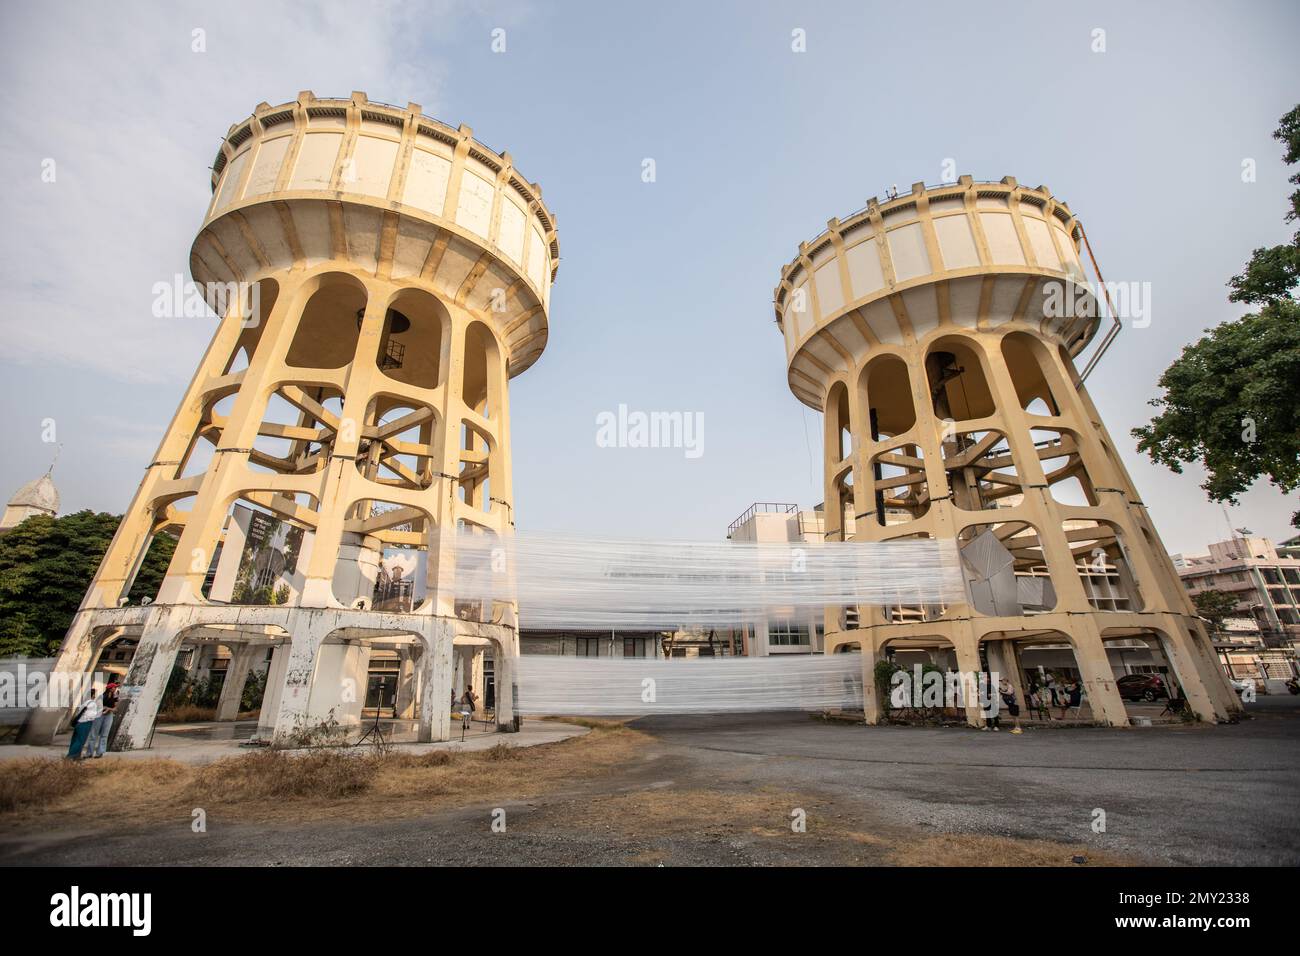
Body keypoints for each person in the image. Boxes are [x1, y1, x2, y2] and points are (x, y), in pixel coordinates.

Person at [86, 678, 119, 758]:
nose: (115, 689)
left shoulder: (115, 698)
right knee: (94, 735)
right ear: (110, 688)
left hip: (109, 715)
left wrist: (109, 709)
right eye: (114, 687)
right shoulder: (101, 696)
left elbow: (116, 709)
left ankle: (99, 753)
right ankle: (89, 753)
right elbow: (98, 706)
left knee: (104, 734)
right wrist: (105, 708)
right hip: (99, 715)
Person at [66, 688, 100, 760]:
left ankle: (76, 755)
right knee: (80, 740)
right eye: (96, 694)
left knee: (75, 740)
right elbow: (91, 715)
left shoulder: (85, 702)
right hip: (85, 723)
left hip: (79, 722)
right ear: (93, 695)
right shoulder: (93, 703)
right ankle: (71, 756)